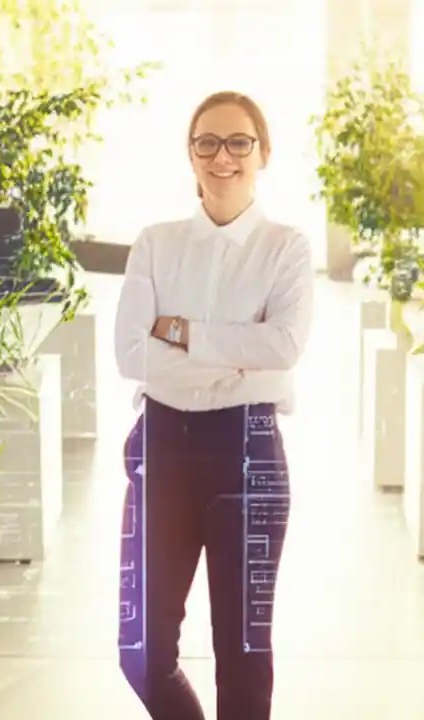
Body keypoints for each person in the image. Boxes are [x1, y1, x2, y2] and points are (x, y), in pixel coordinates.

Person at [113, 91, 314, 720]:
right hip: (162, 449)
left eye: (238, 143)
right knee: (140, 650)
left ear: (264, 153)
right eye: (207, 142)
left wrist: (181, 332)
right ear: (190, 153)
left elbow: (282, 347)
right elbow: (130, 356)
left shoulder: (287, 246)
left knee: (243, 657)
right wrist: (236, 356)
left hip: (248, 454)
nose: (222, 157)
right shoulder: (156, 242)